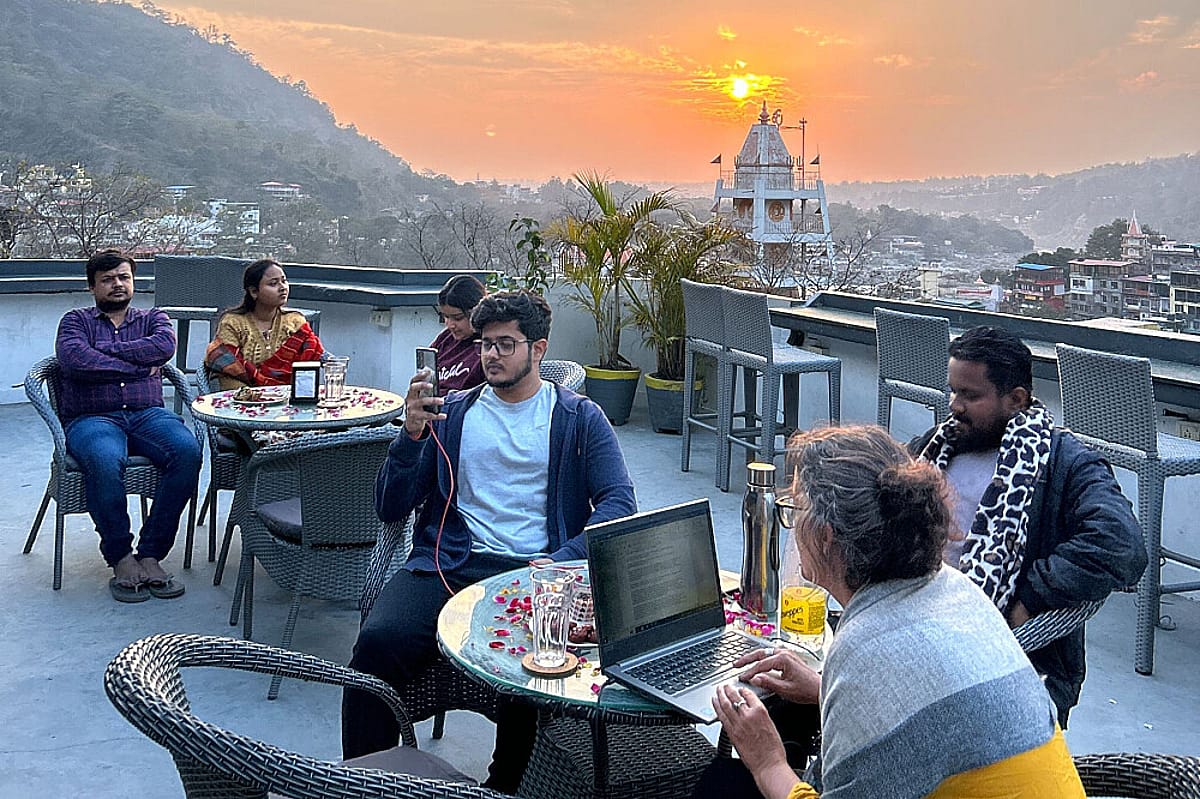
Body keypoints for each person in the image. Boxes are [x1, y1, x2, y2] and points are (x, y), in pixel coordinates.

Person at [342, 289, 636, 792]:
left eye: (504, 344)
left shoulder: (577, 418)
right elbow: (390, 507)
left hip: (533, 574)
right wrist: (410, 436)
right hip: (449, 564)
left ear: (538, 349)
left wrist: (561, 560)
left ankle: (502, 787)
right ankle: (366, 779)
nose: (491, 355)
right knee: (375, 645)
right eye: (485, 344)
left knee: (531, 673)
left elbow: (618, 503)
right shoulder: (452, 413)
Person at [704, 425, 1087, 799]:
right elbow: (929, 717)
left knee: (721, 783)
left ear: (825, 536)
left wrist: (768, 761)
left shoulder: (864, 645)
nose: (794, 522)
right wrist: (825, 691)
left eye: (797, 509)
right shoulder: (954, 587)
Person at [910, 325, 1146, 726]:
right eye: (952, 391)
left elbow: (1120, 545)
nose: (955, 406)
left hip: (1006, 652)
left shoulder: (1065, 463)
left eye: (970, 395)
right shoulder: (940, 444)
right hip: (919, 620)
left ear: (1016, 399)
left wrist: (1030, 599)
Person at [55, 249, 202, 603]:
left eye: (124, 277)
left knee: (187, 451)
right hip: (93, 418)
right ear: (92, 287)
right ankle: (120, 556)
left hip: (147, 414)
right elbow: (76, 360)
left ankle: (151, 554)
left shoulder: (154, 319)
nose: (117, 284)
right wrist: (139, 367)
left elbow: (163, 347)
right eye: (107, 279)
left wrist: (104, 353)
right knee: (105, 459)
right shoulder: (75, 321)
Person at [204, 258, 324, 390]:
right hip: (240, 395)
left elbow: (310, 357)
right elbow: (228, 366)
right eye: (273, 284)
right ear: (254, 291)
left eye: (284, 281)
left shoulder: (295, 321)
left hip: (287, 394)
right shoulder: (232, 323)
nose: (283, 288)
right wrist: (254, 394)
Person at [429, 274, 486, 394]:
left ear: (476, 312)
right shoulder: (444, 340)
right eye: (446, 317)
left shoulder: (487, 347)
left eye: (458, 318)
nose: (450, 325)